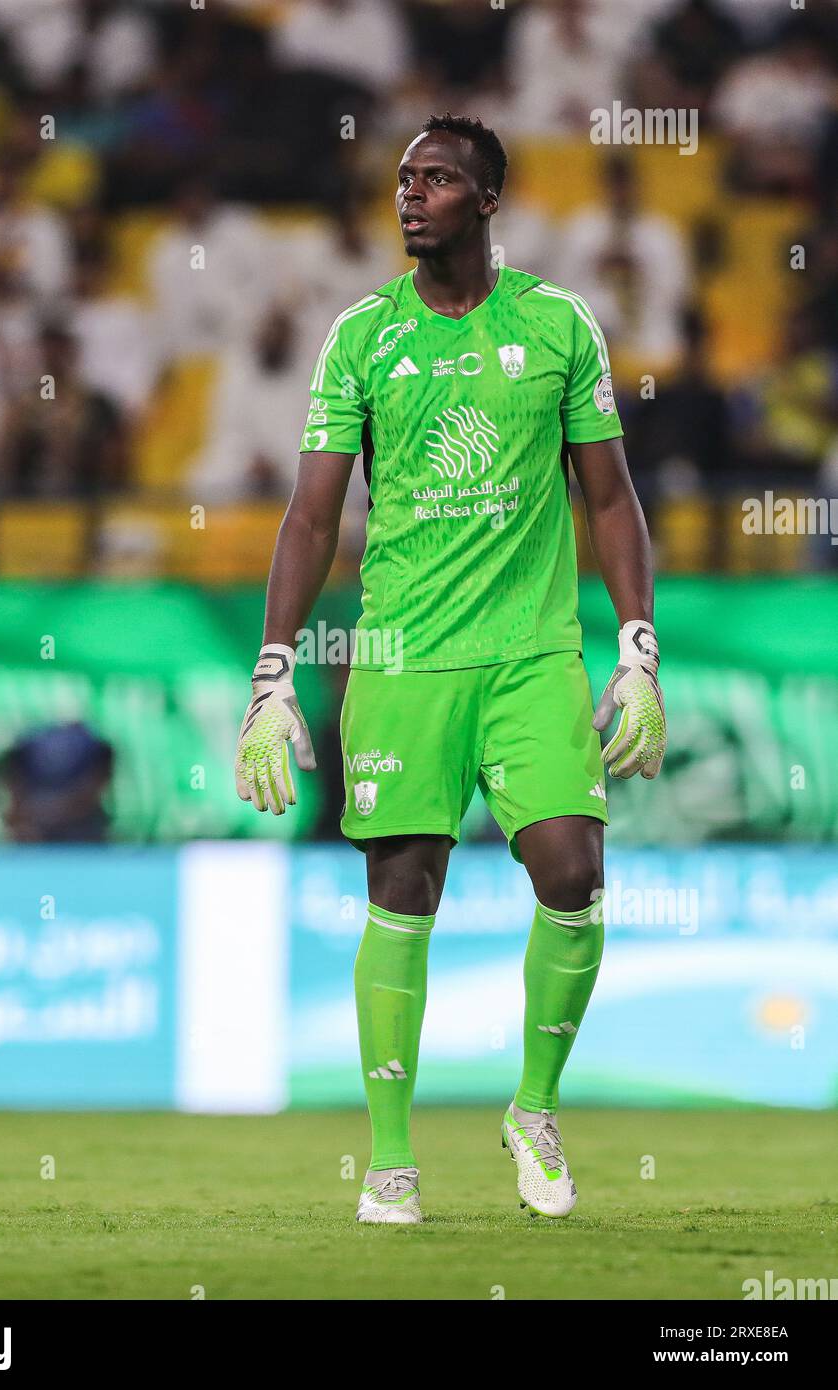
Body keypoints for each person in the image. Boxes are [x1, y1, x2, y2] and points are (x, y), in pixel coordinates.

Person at [234, 114, 667, 1224]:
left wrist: (636, 645)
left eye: (435, 179)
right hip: (402, 658)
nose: (409, 195)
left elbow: (609, 498)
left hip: (530, 654)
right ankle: (390, 1160)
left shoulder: (560, 327)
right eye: (402, 179)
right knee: (403, 890)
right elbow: (310, 517)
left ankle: (534, 1107)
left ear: (486, 199)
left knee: (572, 869)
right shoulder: (363, 337)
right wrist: (274, 674)